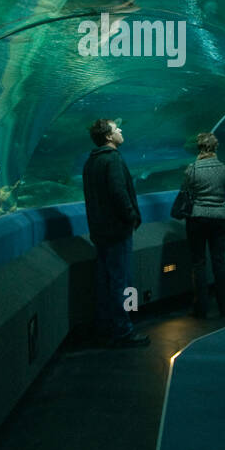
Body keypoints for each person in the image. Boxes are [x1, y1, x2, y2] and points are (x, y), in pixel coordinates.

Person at [82, 118, 150, 348]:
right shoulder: (112, 160)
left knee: (104, 280)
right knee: (122, 281)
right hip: (117, 231)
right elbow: (119, 192)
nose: (121, 130)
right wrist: (132, 216)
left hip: (99, 231)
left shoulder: (90, 162)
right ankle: (123, 330)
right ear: (109, 136)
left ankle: (104, 326)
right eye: (117, 128)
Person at [179, 132, 225, 318]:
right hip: (219, 217)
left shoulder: (192, 169)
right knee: (219, 261)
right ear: (215, 147)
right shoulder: (224, 169)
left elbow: (185, 190)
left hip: (197, 218)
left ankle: (201, 308)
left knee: (199, 263)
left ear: (198, 148)